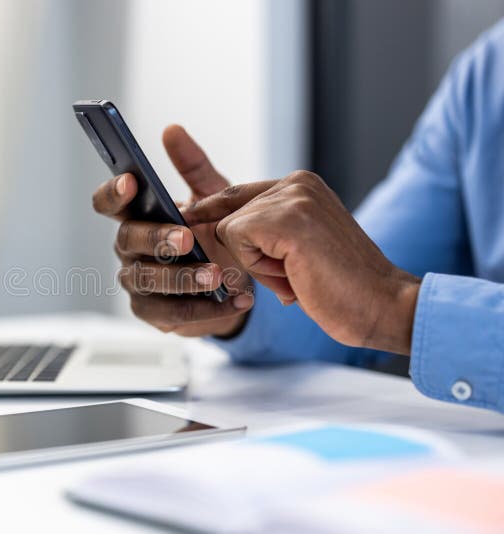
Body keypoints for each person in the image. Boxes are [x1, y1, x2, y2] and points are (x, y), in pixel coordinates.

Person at [92, 21, 504, 413]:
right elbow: (348, 306)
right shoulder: (486, 74)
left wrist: (396, 307)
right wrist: (235, 285)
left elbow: (382, 300)